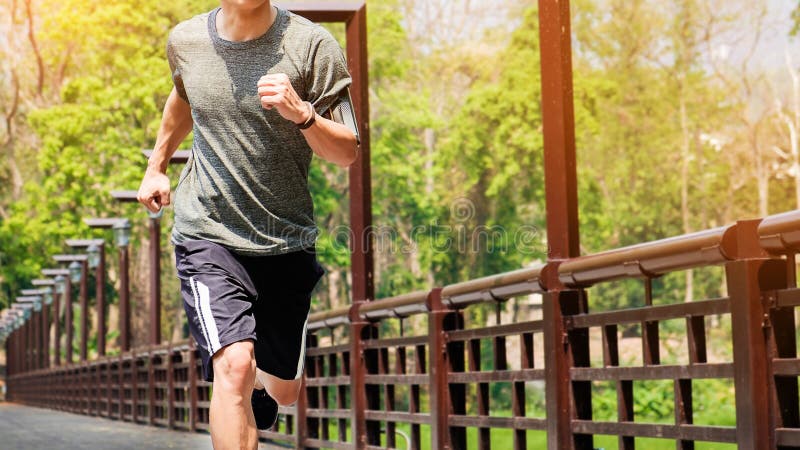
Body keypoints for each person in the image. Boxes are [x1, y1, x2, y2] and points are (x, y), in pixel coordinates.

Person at [136, 1, 359, 448]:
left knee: (284, 391)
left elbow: (347, 150)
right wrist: (156, 165)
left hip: (284, 240)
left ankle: (263, 380)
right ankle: (246, 377)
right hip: (207, 232)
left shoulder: (311, 45)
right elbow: (185, 95)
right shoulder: (187, 41)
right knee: (234, 365)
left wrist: (303, 115)